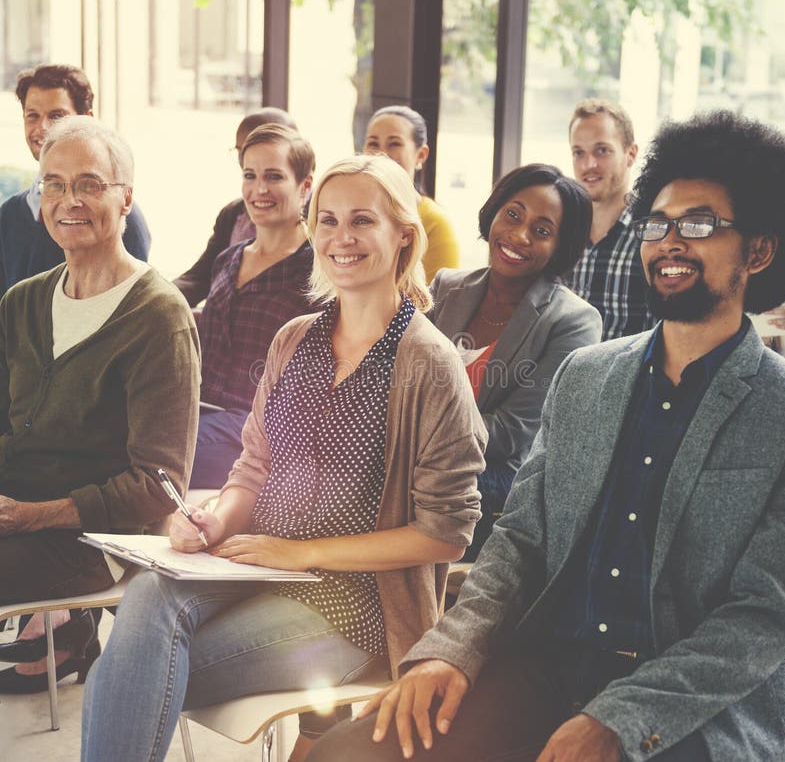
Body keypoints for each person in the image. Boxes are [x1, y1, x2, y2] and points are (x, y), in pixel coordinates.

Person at [308, 110, 785, 762]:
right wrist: (452, 650)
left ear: (759, 251)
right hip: (550, 664)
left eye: (700, 224)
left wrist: (619, 717)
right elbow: (520, 537)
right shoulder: (588, 376)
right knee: (347, 753)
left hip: (692, 705)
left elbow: (761, 618)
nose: (670, 239)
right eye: (658, 222)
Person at [81, 153, 486, 762]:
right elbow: (253, 470)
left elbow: (446, 535)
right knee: (146, 596)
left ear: (403, 236)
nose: (340, 238)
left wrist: (299, 554)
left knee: (127, 674)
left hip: (352, 604)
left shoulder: (428, 362)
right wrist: (216, 519)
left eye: (361, 221)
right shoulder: (293, 338)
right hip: (253, 567)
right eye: (326, 220)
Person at [0, 116, 200, 693]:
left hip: (97, 542)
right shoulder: (23, 302)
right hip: (15, 521)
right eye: (54, 184)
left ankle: (66, 635)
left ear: (126, 197)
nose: (70, 201)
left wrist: (32, 515)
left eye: (89, 184)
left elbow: (160, 487)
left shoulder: (158, 316)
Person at [429, 163, 601, 559]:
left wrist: (416, 434)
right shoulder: (446, 286)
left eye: (541, 231)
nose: (518, 235)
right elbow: (393, 380)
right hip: (422, 465)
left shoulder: (573, 321)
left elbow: (513, 433)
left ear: (561, 245)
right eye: (512, 214)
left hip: (494, 481)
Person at [190, 123, 318, 488]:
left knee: (160, 456)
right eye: (250, 175)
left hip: (262, 431)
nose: (259, 190)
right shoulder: (228, 258)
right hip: (201, 411)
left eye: (274, 176)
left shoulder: (318, 271)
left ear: (305, 186)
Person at [0, 64, 151, 297]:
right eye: (32, 116)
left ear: (87, 120)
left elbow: (131, 303)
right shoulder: (9, 215)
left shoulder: (117, 216)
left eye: (57, 116)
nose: (43, 128)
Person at [173, 106, 298, 307]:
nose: (251, 159)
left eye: (274, 175)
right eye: (243, 153)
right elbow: (199, 277)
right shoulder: (233, 215)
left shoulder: (321, 220)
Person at [567, 98, 654, 340]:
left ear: (631, 154)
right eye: (578, 153)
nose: (589, 164)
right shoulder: (561, 231)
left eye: (602, 150)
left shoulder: (653, 237)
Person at [365, 105, 459, 282]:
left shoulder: (435, 223)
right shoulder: (347, 212)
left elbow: (440, 302)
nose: (381, 153)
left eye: (394, 144)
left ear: (421, 155)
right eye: (373, 143)